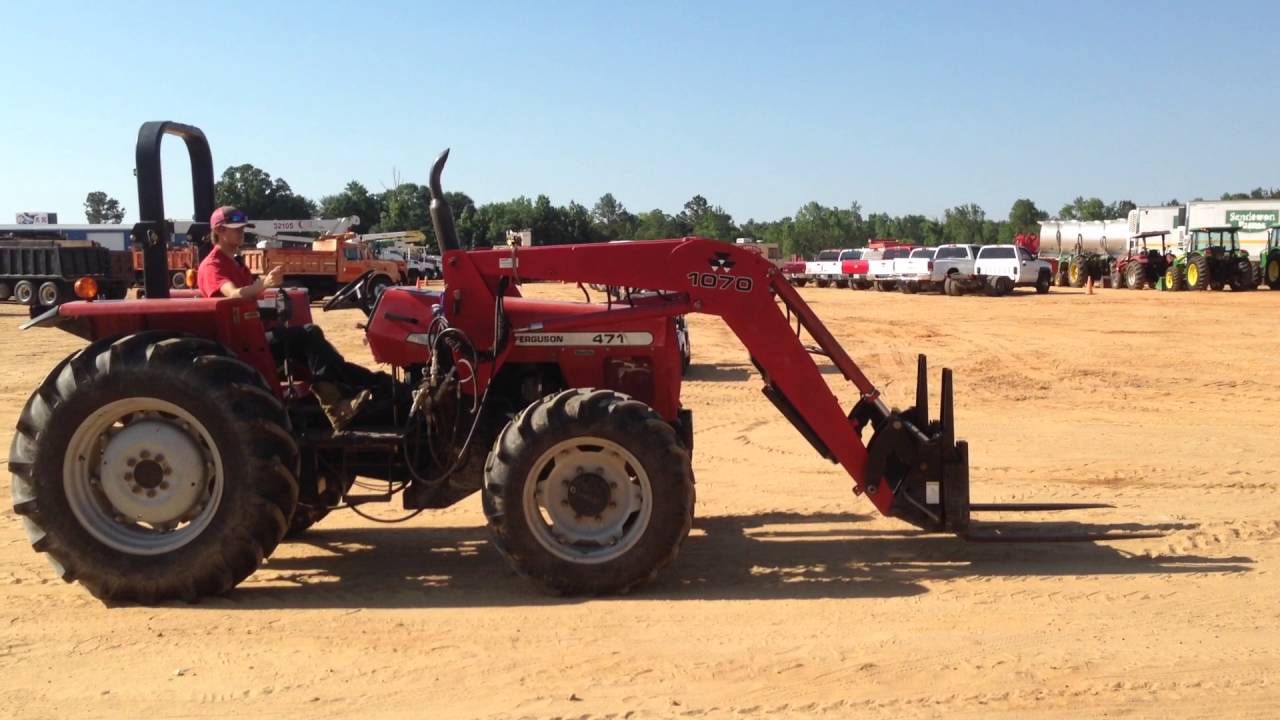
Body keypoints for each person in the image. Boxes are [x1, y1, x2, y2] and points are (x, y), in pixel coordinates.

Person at [196, 206, 372, 430]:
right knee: (308, 334)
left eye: (242, 228)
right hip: (244, 340)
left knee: (317, 345)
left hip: (255, 328)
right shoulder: (213, 265)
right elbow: (234, 294)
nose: (242, 232)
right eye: (236, 229)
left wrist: (266, 288)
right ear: (219, 231)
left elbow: (252, 292)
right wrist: (264, 284)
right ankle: (335, 406)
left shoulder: (235, 262)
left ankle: (367, 388)